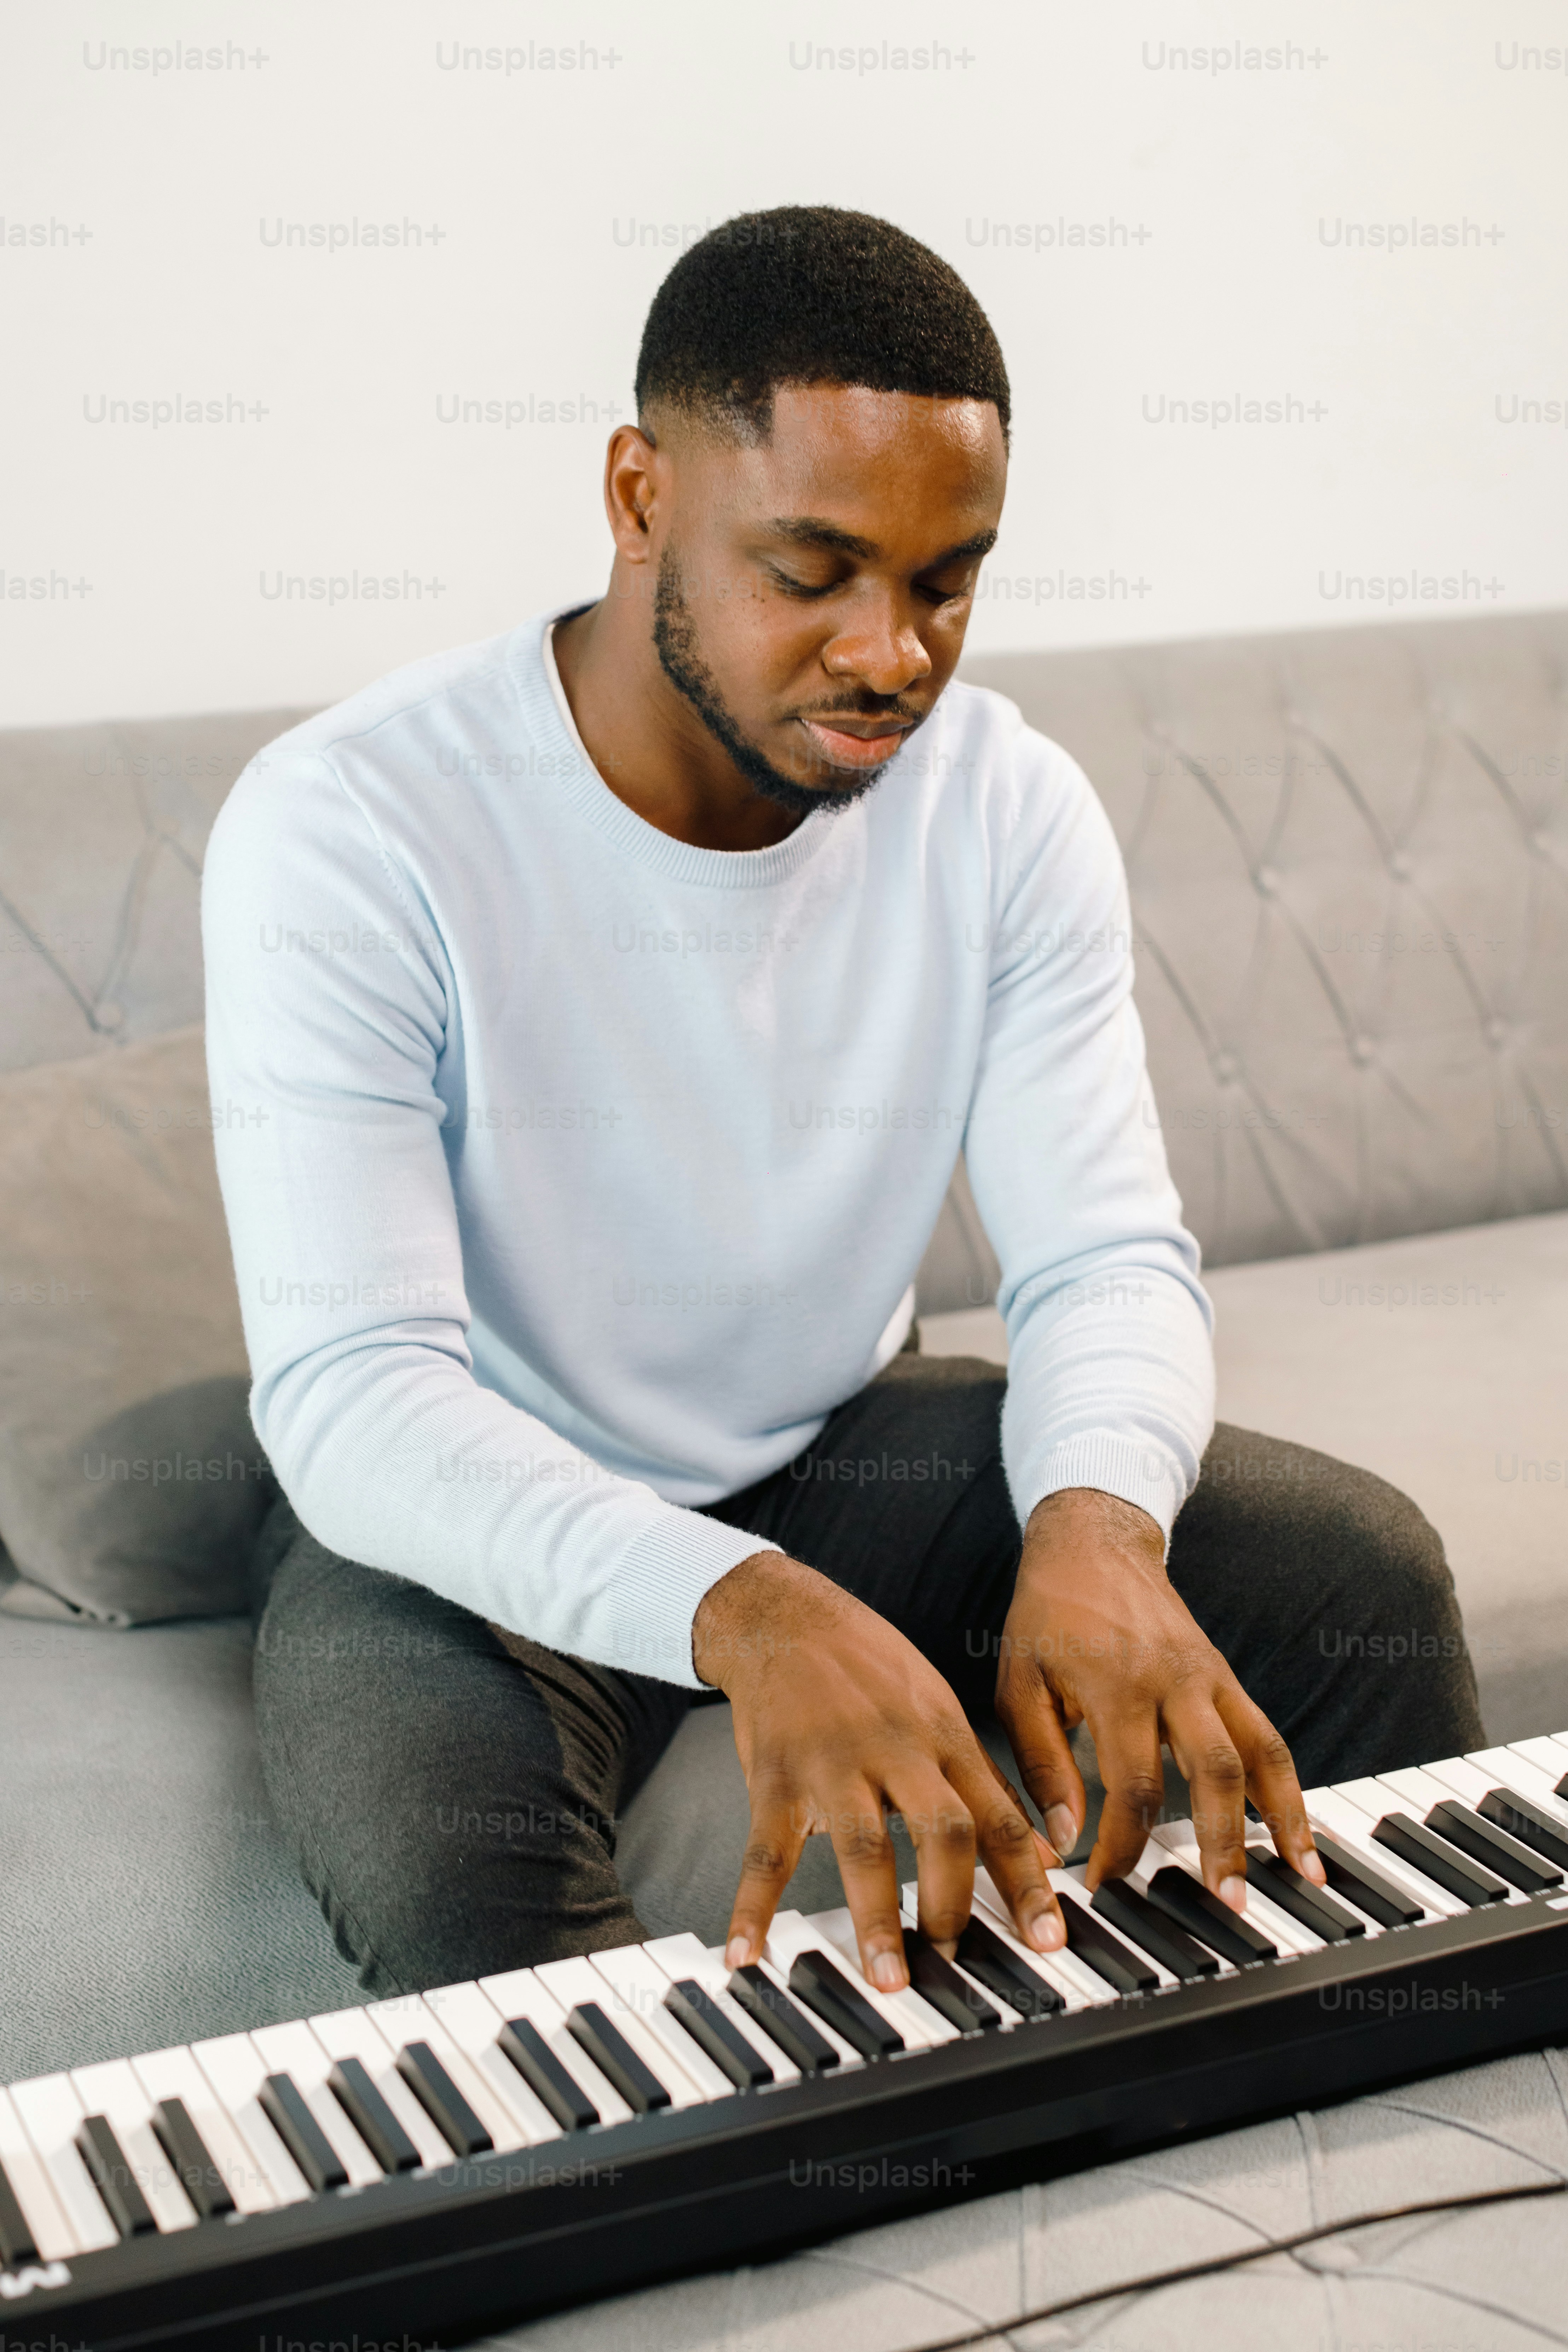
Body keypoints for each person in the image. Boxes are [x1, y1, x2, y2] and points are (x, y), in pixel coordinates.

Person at [203, 206, 1483, 2003]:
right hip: (463, 1497)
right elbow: (355, 1396)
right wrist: (750, 1608)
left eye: (944, 581)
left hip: (835, 1449)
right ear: (639, 497)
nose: (889, 653)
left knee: (1355, 1577)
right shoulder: (351, 823)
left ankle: (1317, 2090)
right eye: (810, 572)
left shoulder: (1004, 806)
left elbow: (1101, 1257)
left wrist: (1094, 1523)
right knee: (459, 1883)